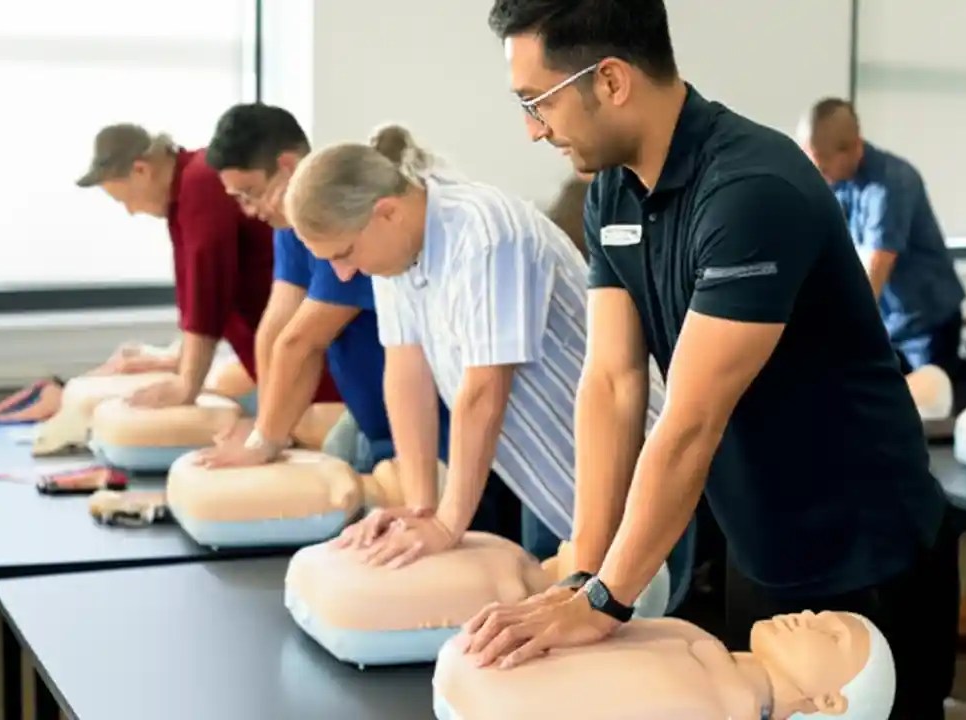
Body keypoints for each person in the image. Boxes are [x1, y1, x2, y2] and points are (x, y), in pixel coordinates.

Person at [461, 2, 958, 718]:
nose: (533, 128)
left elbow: (691, 419)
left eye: (537, 102)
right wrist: (586, 572)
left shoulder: (751, 191)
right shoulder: (612, 191)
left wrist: (607, 599)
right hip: (760, 536)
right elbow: (612, 383)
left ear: (610, 81)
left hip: (865, 542)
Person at [283, 125, 694, 612]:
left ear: (385, 213)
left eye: (344, 255)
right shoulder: (394, 255)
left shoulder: (484, 234)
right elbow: (405, 370)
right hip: (545, 481)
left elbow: (484, 389)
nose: (344, 274)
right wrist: (423, 507)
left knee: (643, 642)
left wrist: (447, 523)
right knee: (550, 639)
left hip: (632, 473)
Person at [188, 102, 417, 472]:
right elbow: (275, 328)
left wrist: (264, 440)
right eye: (239, 200)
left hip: (414, 421)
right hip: (368, 421)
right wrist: (265, 426)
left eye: (251, 193)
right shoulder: (288, 230)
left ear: (287, 167)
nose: (249, 211)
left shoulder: (342, 220)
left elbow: (304, 341)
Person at [75, 123, 274, 410]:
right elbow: (196, 295)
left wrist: (187, 385)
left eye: (125, 200)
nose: (131, 211)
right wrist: (177, 359)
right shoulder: (184, 194)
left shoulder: (200, 183)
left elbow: (208, 289)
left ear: (141, 170)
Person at [797, 99, 966, 376]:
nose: (819, 174)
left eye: (823, 166)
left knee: (926, 408)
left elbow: (875, 268)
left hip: (925, 326)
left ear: (854, 147)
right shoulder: (837, 183)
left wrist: (833, 336)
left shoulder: (892, 183)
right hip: (887, 323)